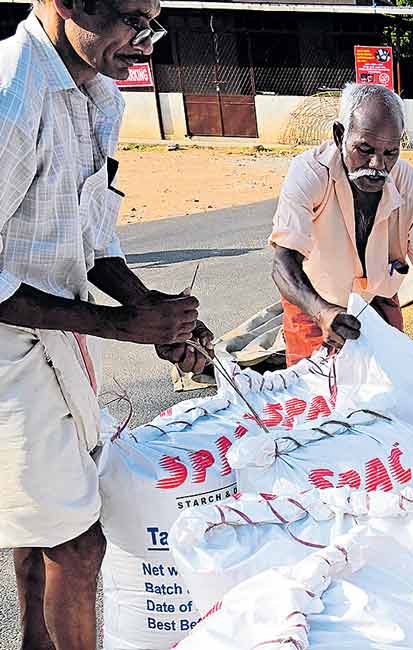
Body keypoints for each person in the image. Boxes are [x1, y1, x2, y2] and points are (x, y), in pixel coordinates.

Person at [0, 0, 213, 648]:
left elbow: (93, 241)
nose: (143, 42)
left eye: (152, 23)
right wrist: (122, 327)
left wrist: (155, 316)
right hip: (7, 350)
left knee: (46, 521)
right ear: (66, 4)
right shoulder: (13, 92)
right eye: (129, 20)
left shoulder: (102, 98)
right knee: (79, 540)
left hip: (57, 335)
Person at [271, 83, 413, 365]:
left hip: (378, 301)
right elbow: (283, 262)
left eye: (390, 153)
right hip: (314, 303)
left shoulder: (410, 187)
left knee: (390, 388)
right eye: (364, 149)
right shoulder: (309, 173)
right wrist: (323, 313)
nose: (377, 165)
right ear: (339, 135)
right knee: (315, 397)